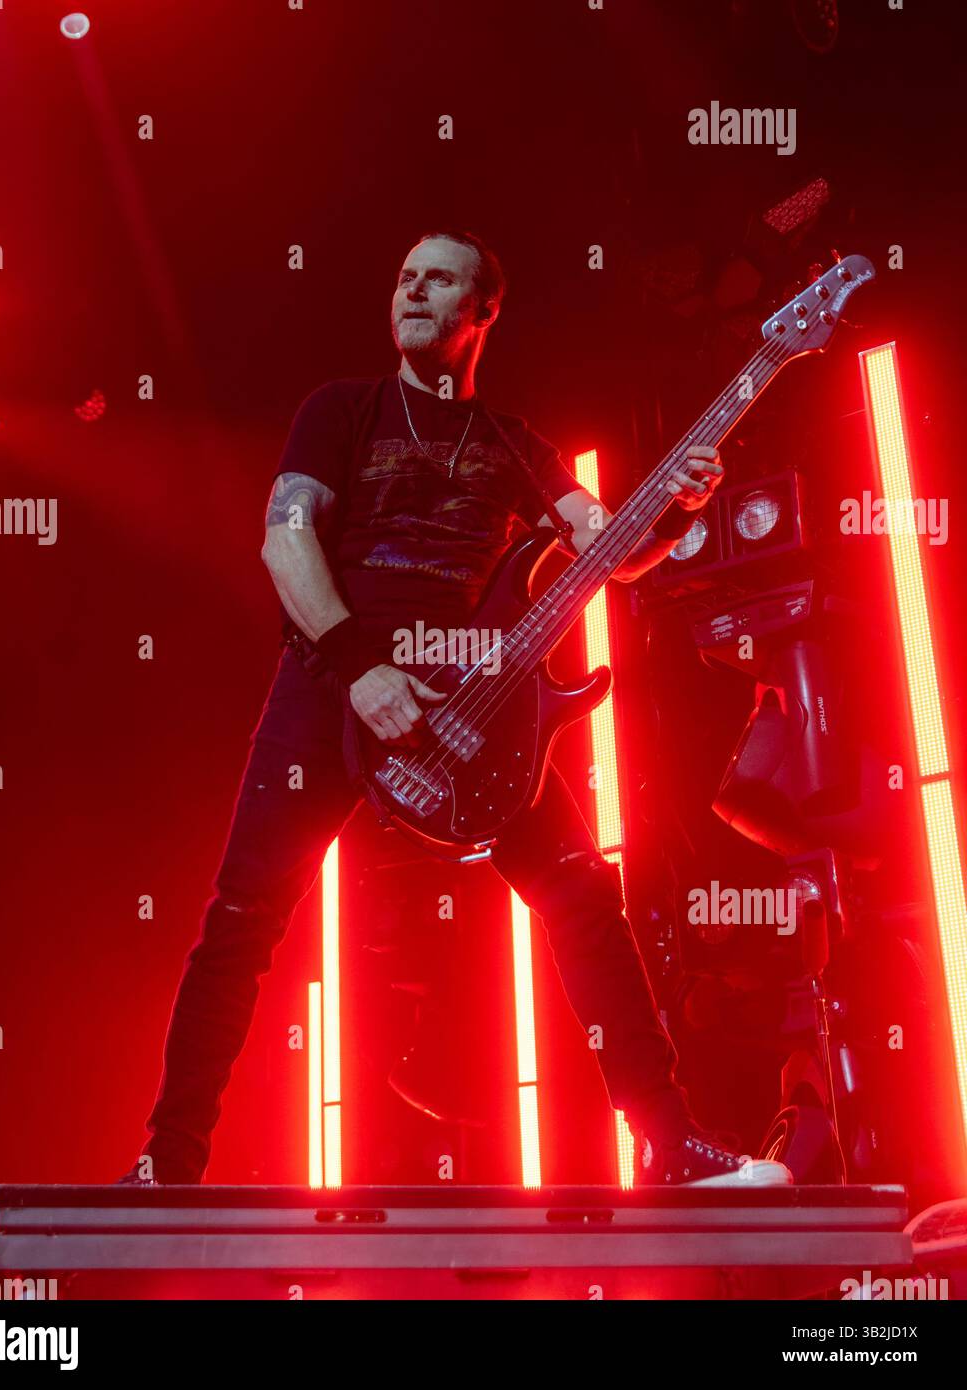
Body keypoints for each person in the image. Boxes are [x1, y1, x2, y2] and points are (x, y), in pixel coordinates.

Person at [118, 229, 792, 1189]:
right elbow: (285, 540)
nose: (412, 293)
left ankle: (672, 1146)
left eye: (439, 281)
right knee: (241, 919)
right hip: (330, 692)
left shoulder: (518, 446)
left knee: (584, 897)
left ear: (484, 312)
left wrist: (678, 511)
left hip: (473, 707)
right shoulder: (341, 411)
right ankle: (167, 1165)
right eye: (403, 278)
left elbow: (613, 550)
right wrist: (359, 666)